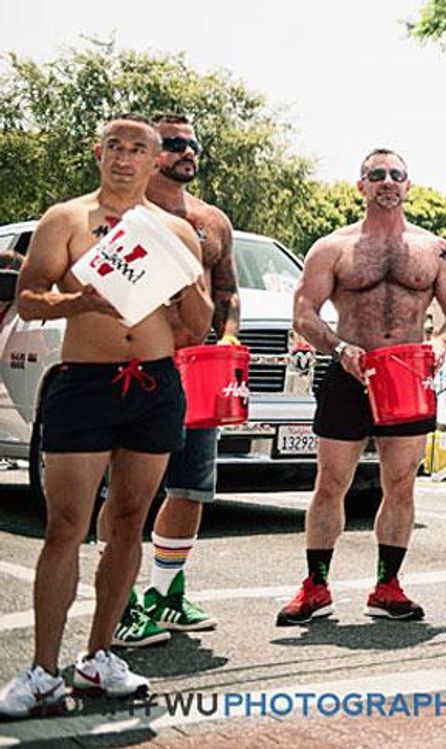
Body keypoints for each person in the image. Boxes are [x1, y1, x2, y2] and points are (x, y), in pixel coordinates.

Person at [0, 114, 212, 718]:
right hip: (84, 382)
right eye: (114, 147)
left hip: (155, 383)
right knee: (66, 523)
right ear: (99, 154)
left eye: (137, 149)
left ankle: (98, 658)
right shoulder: (65, 219)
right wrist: (79, 300)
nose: (124, 158)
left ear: (155, 162)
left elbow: (196, 327)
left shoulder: (176, 231)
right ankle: (43, 670)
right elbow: (29, 297)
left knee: (127, 523)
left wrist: (184, 288)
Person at [277, 148, 446, 625]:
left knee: (401, 484)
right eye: (376, 174)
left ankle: (387, 586)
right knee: (331, 483)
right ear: (360, 186)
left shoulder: (436, 249)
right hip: (349, 374)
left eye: (396, 175)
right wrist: (339, 348)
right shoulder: (332, 248)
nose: (387, 181)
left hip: (407, 375)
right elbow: (304, 313)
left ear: (408, 185)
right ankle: (316, 586)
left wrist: (442, 344)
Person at [108, 114, 241, 646]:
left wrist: (227, 337)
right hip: (137, 366)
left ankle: (165, 595)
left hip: (200, 368)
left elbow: (228, 291)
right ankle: (119, 602)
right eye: (175, 145)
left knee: (190, 486)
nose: (188, 153)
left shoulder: (213, 220)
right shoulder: (120, 213)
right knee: (129, 489)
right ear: (149, 152)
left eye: (194, 145)